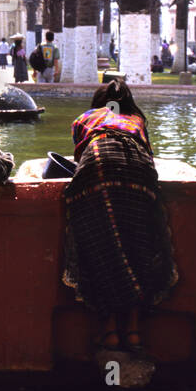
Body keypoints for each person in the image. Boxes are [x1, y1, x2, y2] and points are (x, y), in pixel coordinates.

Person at [61, 79, 178, 353]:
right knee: (138, 248)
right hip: (138, 173)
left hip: (98, 168)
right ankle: (135, 333)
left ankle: (111, 332)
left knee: (100, 251)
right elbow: (147, 153)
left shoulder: (85, 118)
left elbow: (81, 157)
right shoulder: (136, 120)